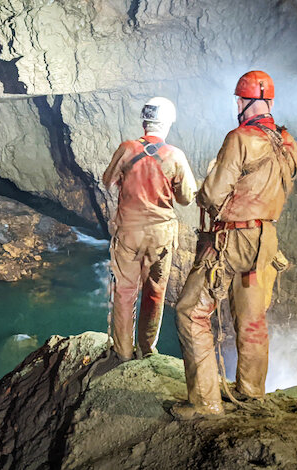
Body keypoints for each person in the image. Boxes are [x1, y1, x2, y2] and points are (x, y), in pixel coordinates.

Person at [171, 71, 297, 418]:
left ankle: (205, 402)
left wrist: (204, 188)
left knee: (190, 311)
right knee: (252, 317)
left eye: (239, 101)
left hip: (233, 239)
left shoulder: (240, 138)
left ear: (243, 102)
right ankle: (252, 393)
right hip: (266, 241)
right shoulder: (287, 142)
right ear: (270, 102)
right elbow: (293, 173)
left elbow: (213, 195)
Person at [102, 97, 196, 362]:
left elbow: (107, 180)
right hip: (160, 235)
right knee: (155, 292)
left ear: (145, 122)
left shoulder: (126, 148)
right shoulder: (175, 156)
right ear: (167, 124)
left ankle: (122, 352)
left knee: (124, 291)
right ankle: (147, 349)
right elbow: (186, 197)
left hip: (129, 232)